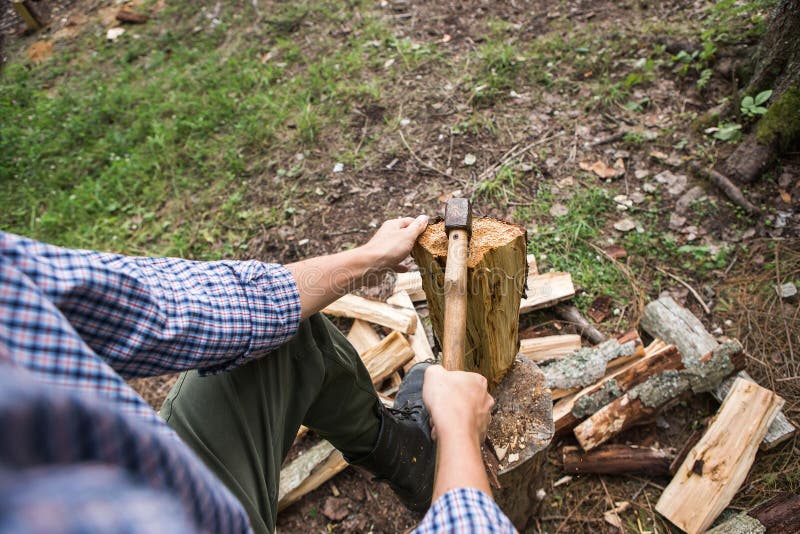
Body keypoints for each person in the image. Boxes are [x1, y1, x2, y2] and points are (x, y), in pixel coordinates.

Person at [0, 216, 516, 533]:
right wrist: (458, 436)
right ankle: (438, 460)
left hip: (153, 480)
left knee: (278, 337)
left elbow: (165, 302)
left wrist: (367, 259)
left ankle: (399, 453)